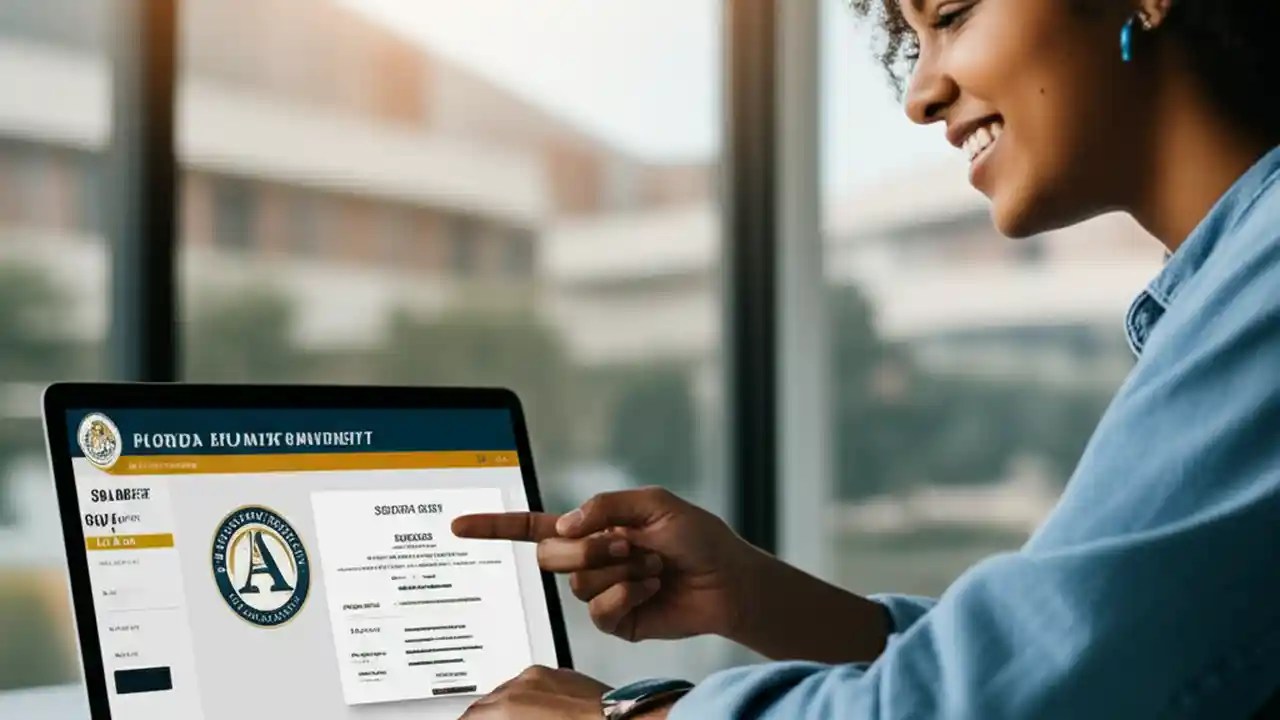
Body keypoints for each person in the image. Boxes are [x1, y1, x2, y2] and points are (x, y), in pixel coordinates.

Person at [453, 0, 1280, 717]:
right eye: (912, 41)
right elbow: (1073, 650)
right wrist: (755, 596)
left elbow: (1017, 702)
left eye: (953, 16)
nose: (921, 95)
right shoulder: (1226, 292)